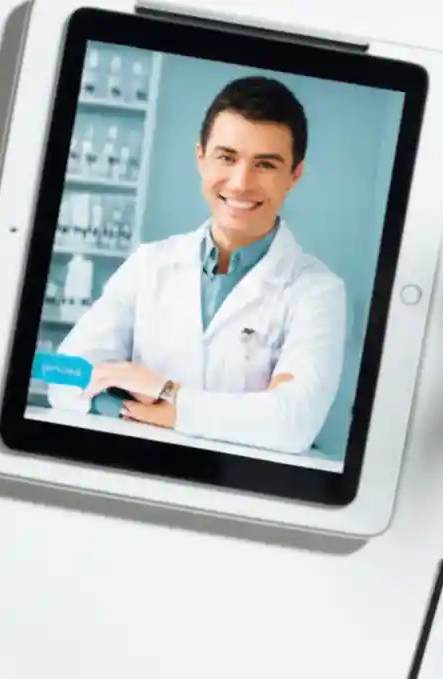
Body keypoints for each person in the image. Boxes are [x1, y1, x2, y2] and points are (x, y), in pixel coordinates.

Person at [56, 75, 347, 456]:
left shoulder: (317, 291)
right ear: (201, 157)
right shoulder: (150, 264)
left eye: (265, 164)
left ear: (294, 175)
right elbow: (58, 372)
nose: (240, 183)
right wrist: (134, 412)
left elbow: (291, 424)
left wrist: (167, 395)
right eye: (227, 158)